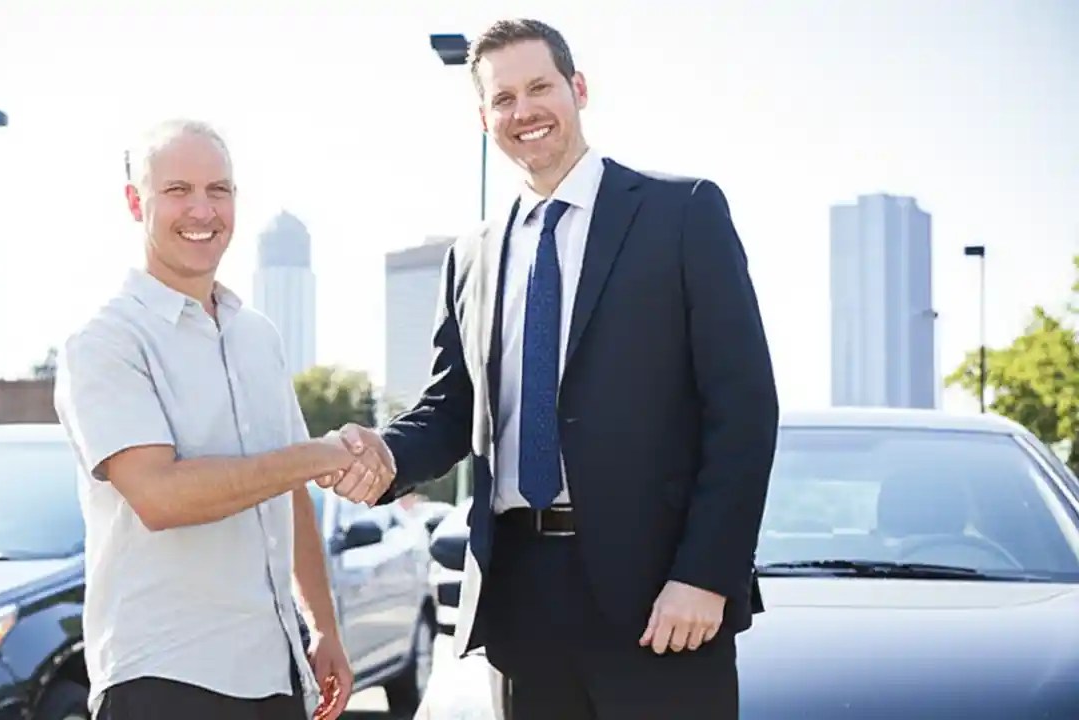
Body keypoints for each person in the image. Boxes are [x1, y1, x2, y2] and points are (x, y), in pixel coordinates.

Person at [328, 18, 778, 719]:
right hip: (521, 600)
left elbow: (744, 408)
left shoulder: (682, 214)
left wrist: (705, 574)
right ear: (485, 118)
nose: (523, 110)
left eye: (540, 87)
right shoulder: (472, 254)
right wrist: (383, 455)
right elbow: (453, 412)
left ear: (579, 89)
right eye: (503, 99)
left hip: (661, 597)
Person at [53, 119, 393, 720]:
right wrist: (322, 453)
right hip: (162, 676)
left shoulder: (256, 335)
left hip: (271, 671)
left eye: (220, 190)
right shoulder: (106, 341)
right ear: (137, 202)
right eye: (178, 190)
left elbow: (288, 497)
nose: (202, 210)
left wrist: (322, 625)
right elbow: (162, 497)